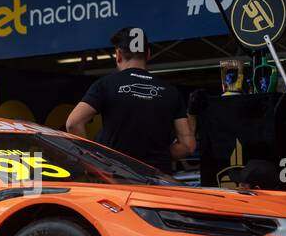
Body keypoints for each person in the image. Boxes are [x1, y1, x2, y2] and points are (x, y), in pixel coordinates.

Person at [65, 26, 194, 173]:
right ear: (148, 54)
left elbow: (73, 123)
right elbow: (188, 145)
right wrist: (159, 156)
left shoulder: (105, 85)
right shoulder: (171, 92)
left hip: (117, 180)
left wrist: (92, 159)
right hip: (158, 182)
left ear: (118, 54)